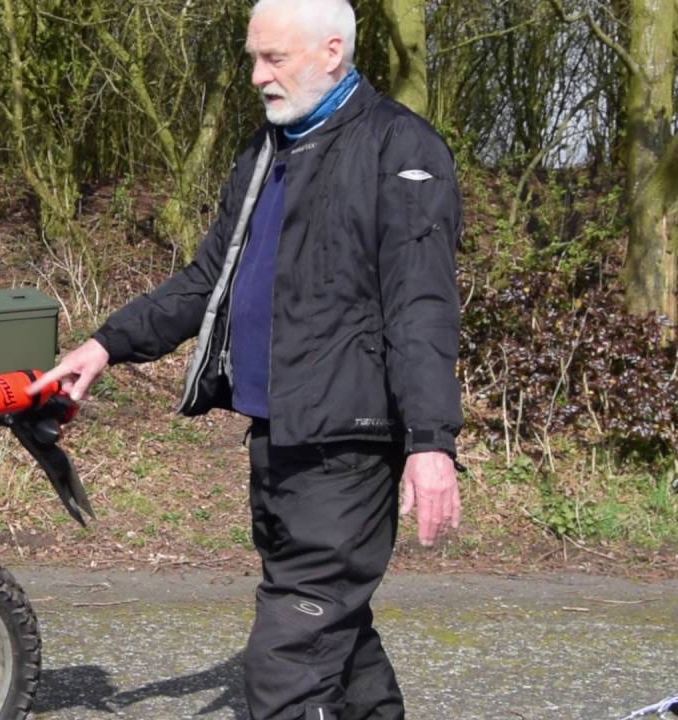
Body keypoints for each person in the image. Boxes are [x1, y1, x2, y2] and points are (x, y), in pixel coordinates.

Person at [29, 0, 463, 718]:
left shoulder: (401, 151)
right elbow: (207, 283)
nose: (258, 76)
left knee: (289, 657)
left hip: (348, 445)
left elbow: (422, 308)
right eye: (253, 59)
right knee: (336, 631)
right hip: (280, 433)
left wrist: (431, 443)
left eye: (274, 59)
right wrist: (106, 344)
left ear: (331, 52)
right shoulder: (267, 154)